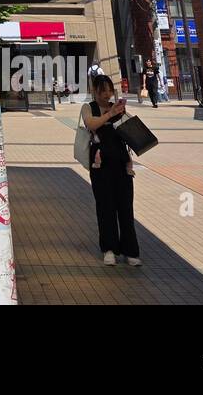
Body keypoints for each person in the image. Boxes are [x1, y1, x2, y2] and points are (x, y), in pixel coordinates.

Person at [82, 74, 141, 266]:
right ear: (95, 91)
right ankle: (109, 249)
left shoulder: (118, 109)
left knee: (125, 207)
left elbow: (129, 130)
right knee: (105, 207)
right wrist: (109, 114)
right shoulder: (88, 108)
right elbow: (91, 124)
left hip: (121, 163)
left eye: (109, 90)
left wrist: (121, 113)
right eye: (102, 91)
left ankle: (130, 251)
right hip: (101, 165)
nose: (107, 95)